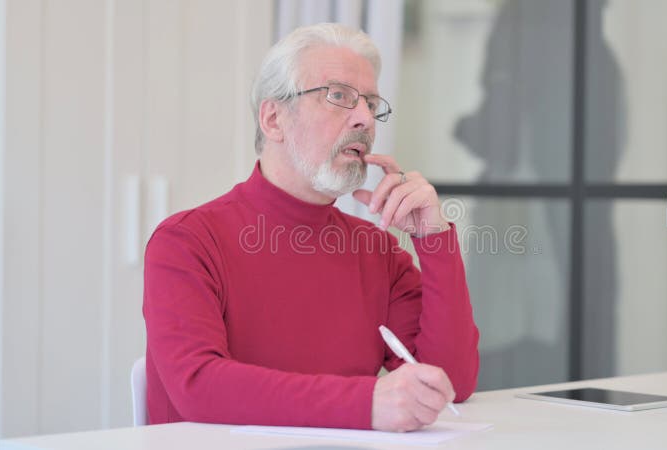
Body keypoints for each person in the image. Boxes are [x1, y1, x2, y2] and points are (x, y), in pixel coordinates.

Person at [142, 23, 479, 432]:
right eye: (339, 96)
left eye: (371, 104)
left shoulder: (377, 252)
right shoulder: (187, 241)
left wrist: (433, 237)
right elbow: (198, 386)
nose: (365, 119)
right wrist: (365, 404)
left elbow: (450, 384)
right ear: (273, 119)